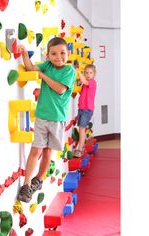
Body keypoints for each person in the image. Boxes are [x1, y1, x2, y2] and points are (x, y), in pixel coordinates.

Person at [17, 37, 76, 203]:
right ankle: (26, 185)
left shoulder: (69, 71)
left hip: (57, 119)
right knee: (36, 150)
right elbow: (30, 67)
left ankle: (39, 179)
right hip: (42, 116)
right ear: (48, 56)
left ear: (68, 53)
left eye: (62, 53)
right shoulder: (47, 65)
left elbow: (59, 89)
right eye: (54, 54)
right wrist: (24, 53)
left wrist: (42, 75)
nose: (59, 57)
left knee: (48, 151)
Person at [73, 64, 97, 158]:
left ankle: (80, 149)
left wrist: (78, 71)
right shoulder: (84, 84)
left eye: (90, 73)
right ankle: (81, 147)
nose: (88, 74)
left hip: (87, 110)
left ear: (94, 74)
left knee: (82, 129)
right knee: (80, 129)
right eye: (86, 73)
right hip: (81, 109)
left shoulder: (92, 82)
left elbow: (83, 80)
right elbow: (81, 91)